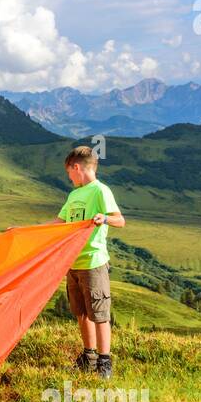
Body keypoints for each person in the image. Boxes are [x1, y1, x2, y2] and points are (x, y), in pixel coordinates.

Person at [56, 145, 125, 378]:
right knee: (81, 313)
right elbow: (59, 224)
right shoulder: (74, 195)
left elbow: (120, 220)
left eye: (69, 173)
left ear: (77, 167)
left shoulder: (100, 191)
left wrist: (104, 218)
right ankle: (89, 356)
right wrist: (25, 233)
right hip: (73, 263)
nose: (69, 177)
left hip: (93, 263)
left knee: (99, 313)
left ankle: (105, 362)